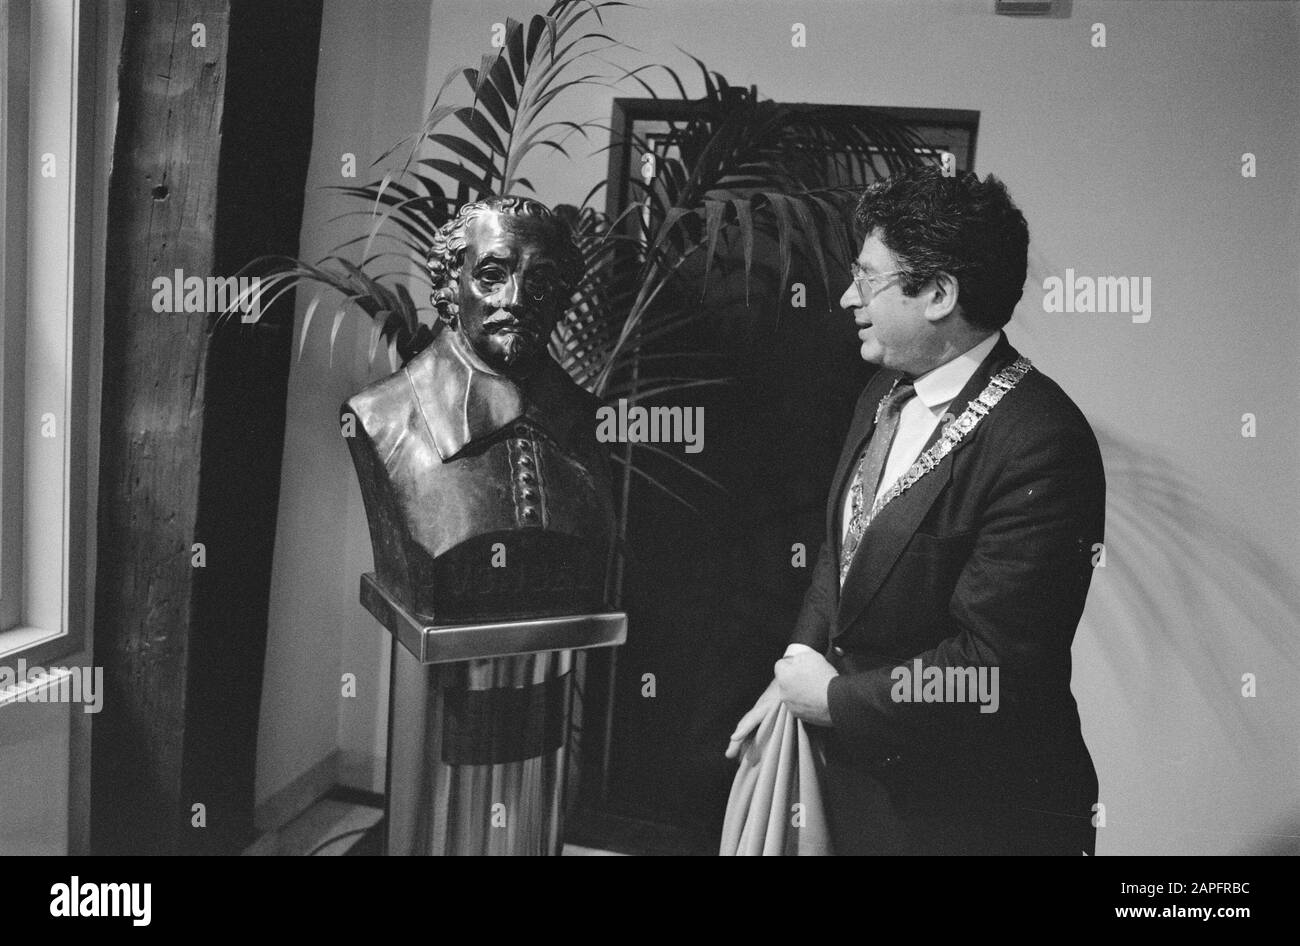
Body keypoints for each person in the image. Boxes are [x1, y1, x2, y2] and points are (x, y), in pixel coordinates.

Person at [726, 167, 1105, 855]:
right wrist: (797, 665)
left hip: (974, 816)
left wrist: (834, 701)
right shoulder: (882, 391)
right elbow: (842, 549)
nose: (848, 297)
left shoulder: (1043, 442)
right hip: (861, 791)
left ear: (937, 293)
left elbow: (993, 666)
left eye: (868, 278)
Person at [342, 196, 615, 623]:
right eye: (491, 276)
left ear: (561, 298)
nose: (518, 298)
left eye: (541, 281)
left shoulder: (592, 423)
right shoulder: (380, 416)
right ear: (451, 287)